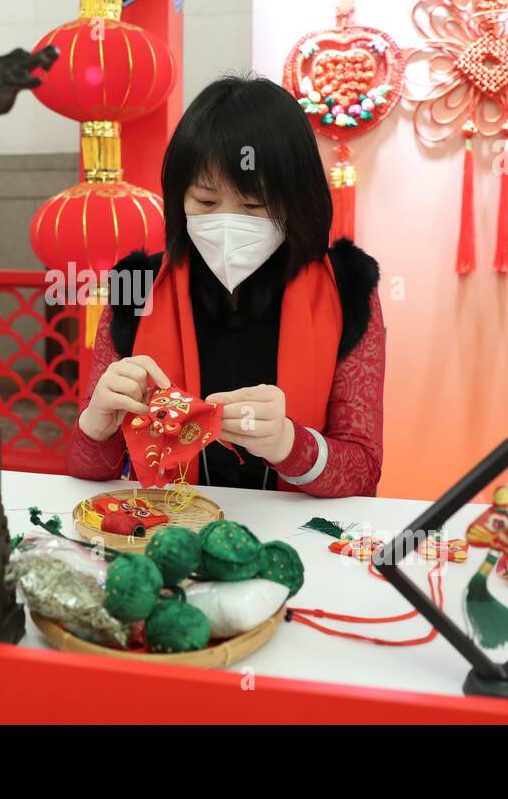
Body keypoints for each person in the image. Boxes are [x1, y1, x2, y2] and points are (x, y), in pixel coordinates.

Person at [65, 75, 384, 496]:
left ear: (297, 199)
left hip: (295, 542)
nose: (229, 223)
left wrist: (291, 444)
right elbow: (86, 470)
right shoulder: (134, 285)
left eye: (254, 205)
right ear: (179, 198)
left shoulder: (347, 289)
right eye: (206, 201)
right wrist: (96, 424)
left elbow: (363, 470)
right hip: (169, 531)